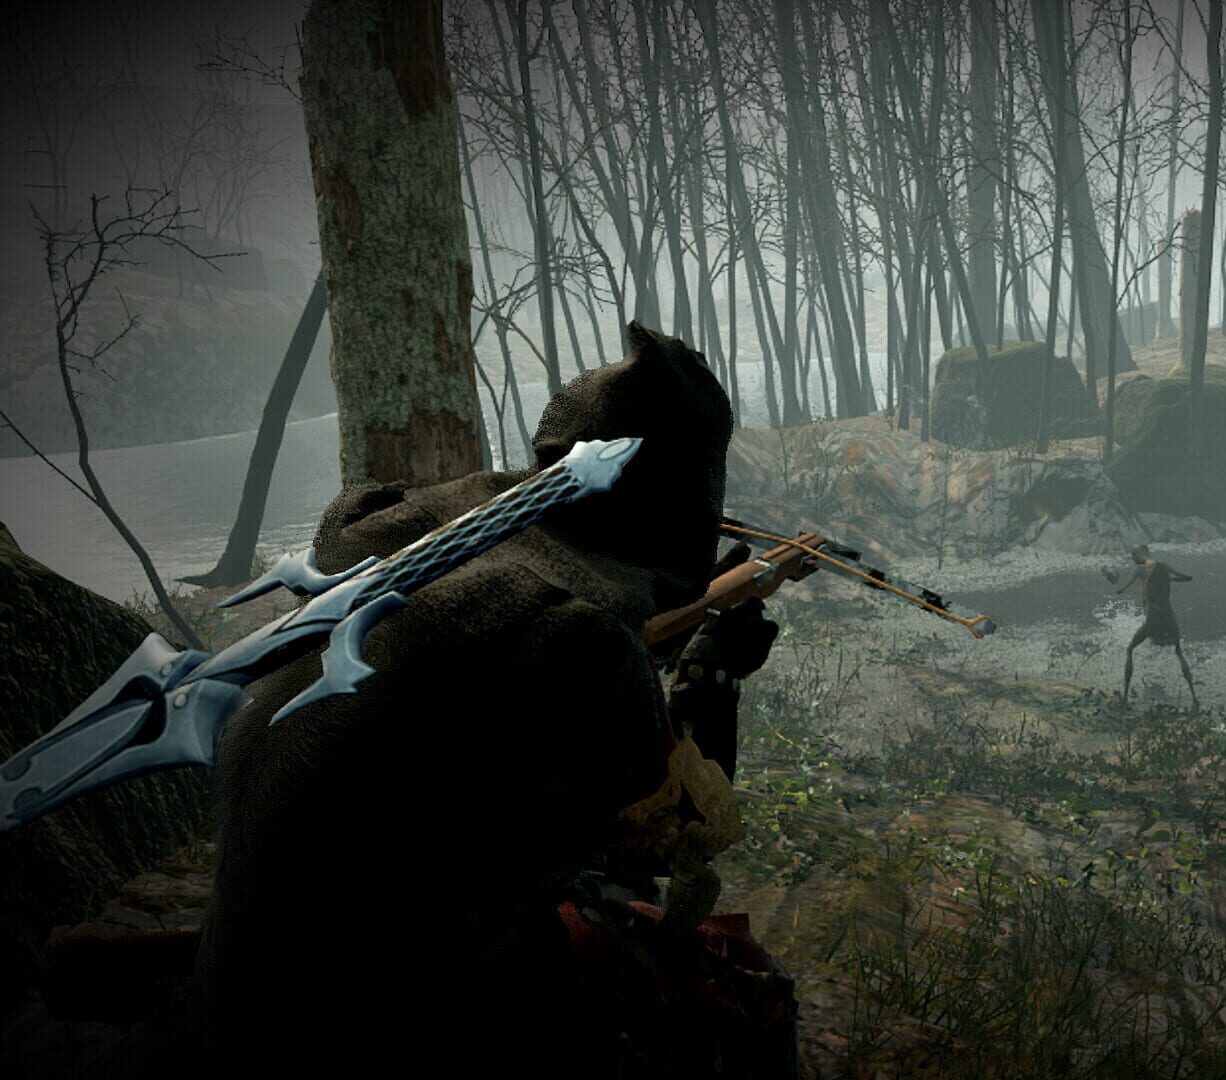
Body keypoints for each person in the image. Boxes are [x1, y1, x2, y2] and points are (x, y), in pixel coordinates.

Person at [79, 324, 792, 1078]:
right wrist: (713, 673)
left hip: (254, 980)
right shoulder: (581, 637)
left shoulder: (399, 533)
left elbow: (475, 686)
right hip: (375, 1037)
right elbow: (678, 834)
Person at [1104, 543, 1198, 707]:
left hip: (1154, 617)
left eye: (1134, 555)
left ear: (1141, 554)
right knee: (1179, 652)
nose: (1133, 558)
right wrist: (1169, 579)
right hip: (1169, 617)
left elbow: (1121, 590)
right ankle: (1194, 697)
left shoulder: (1141, 570)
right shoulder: (1164, 566)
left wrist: (1115, 581)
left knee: (1130, 649)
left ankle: (1125, 696)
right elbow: (1188, 577)